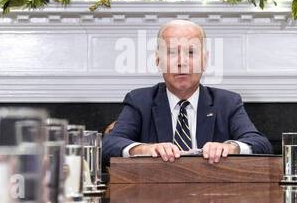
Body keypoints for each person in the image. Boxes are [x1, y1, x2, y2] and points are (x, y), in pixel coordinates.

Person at [101, 19, 271, 164]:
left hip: (214, 196)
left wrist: (230, 147)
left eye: (191, 52)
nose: (181, 62)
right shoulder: (140, 100)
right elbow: (109, 144)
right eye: (172, 52)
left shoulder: (227, 102)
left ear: (204, 61)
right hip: (154, 196)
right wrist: (145, 148)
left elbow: (261, 144)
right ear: (158, 61)